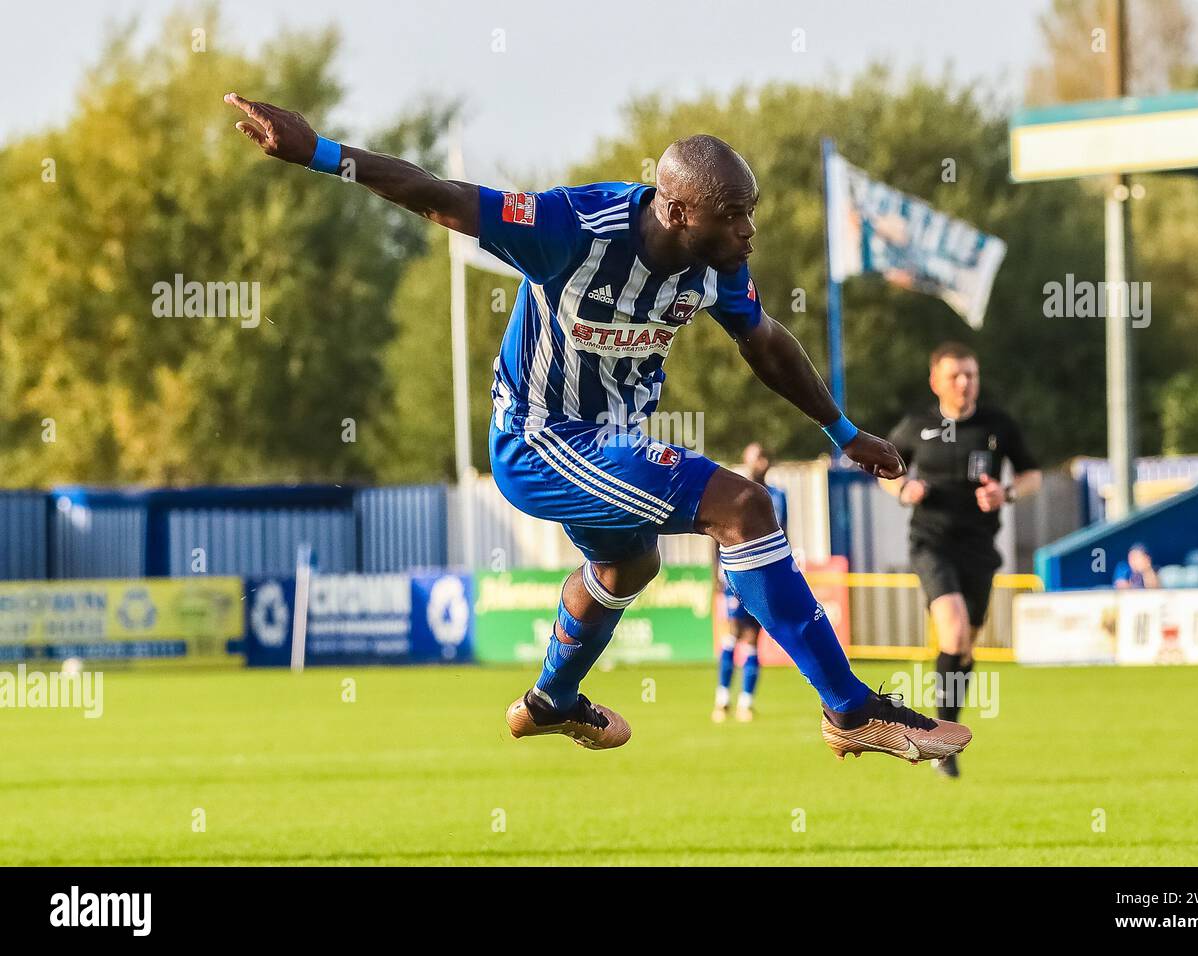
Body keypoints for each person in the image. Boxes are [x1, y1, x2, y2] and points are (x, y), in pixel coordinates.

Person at [225, 94, 972, 765]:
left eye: (752, 211)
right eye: (734, 215)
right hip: (539, 437)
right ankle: (849, 709)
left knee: (628, 569)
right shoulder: (571, 228)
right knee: (743, 508)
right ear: (678, 212)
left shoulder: (717, 265)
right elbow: (441, 196)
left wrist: (842, 430)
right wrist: (320, 153)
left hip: (608, 437)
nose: (749, 230)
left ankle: (552, 700)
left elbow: (765, 343)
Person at [882, 342, 1041, 778]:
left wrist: (1004, 493)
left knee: (965, 646)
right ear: (936, 381)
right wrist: (902, 490)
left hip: (979, 550)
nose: (965, 383)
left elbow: (1032, 475)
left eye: (971, 374)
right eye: (955, 376)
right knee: (951, 631)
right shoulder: (916, 427)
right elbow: (885, 468)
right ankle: (941, 742)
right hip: (931, 543)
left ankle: (946, 735)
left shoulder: (997, 426)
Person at [713, 442, 787, 723]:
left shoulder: (779, 495)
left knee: (753, 638)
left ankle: (745, 702)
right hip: (734, 572)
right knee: (732, 632)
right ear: (746, 460)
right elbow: (716, 532)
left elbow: (785, 534)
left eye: (765, 456)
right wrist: (716, 575)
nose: (762, 461)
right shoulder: (736, 491)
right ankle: (722, 699)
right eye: (757, 457)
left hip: (765, 575)